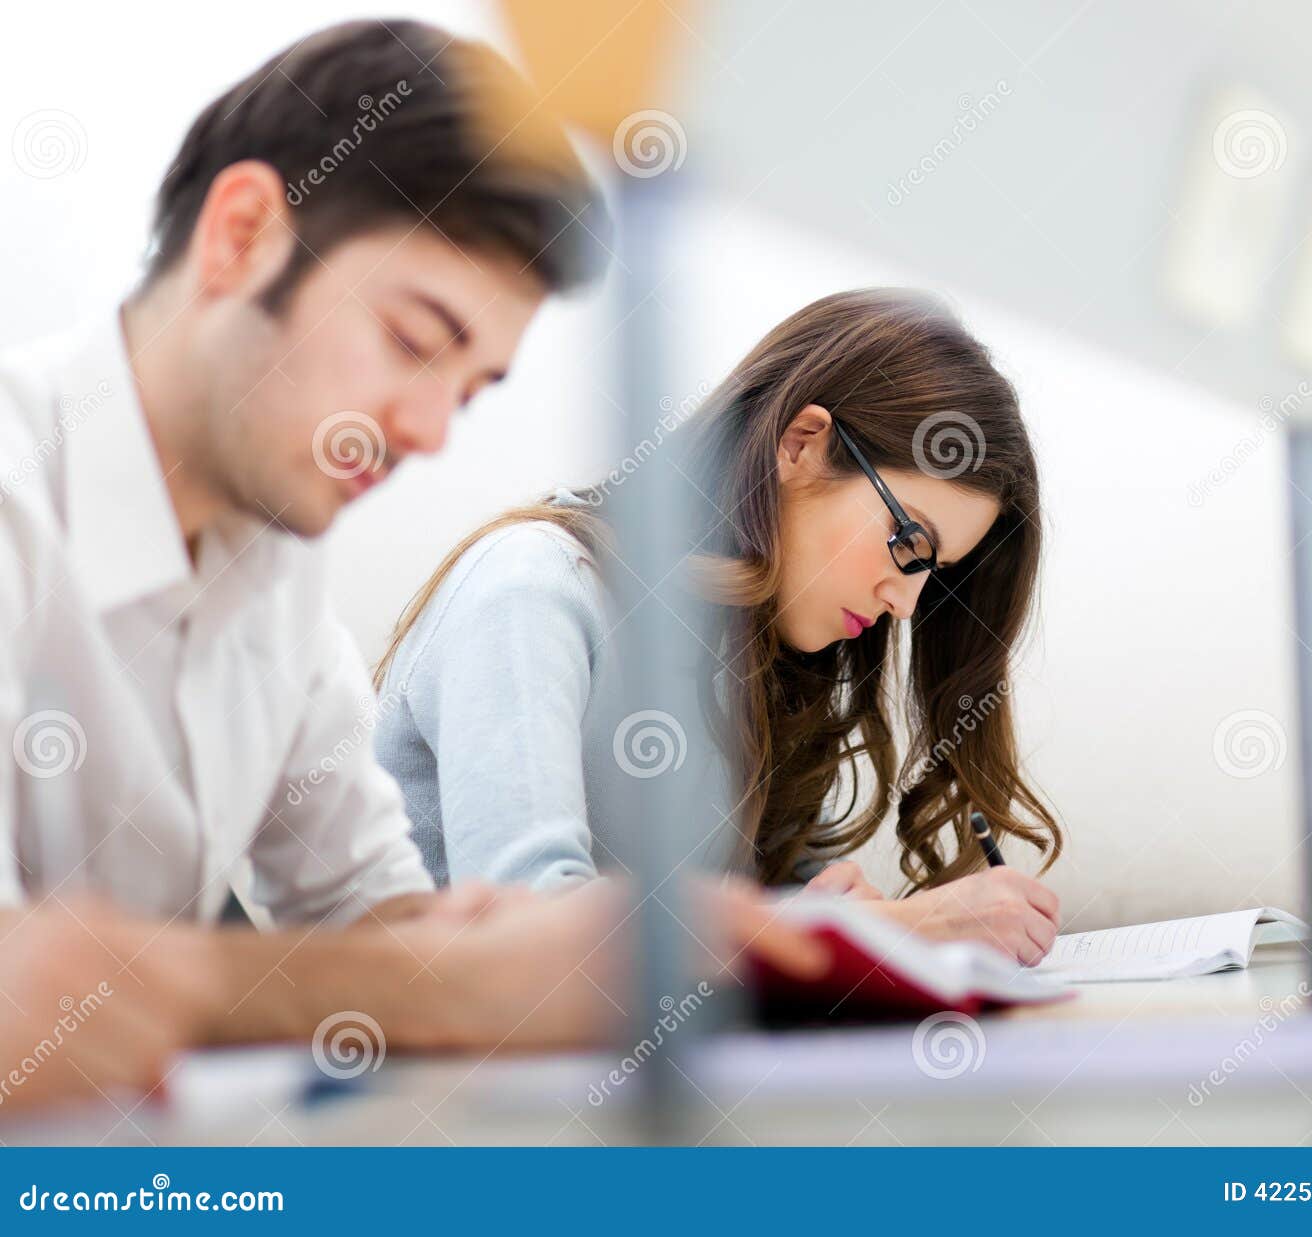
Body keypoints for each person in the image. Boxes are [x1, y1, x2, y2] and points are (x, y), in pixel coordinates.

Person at [0, 18, 821, 1080]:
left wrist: (599, 943)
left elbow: (370, 917)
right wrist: (450, 981)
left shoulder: (272, 559)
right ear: (242, 233)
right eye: (413, 341)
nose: (433, 430)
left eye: (469, 388)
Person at [375, 289, 1066, 965]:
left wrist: (820, 911)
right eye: (908, 542)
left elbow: (744, 939)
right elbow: (528, 933)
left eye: (934, 573)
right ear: (801, 443)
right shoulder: (532, 585)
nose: (907, 603)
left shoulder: (767, 655)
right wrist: (883, 928)